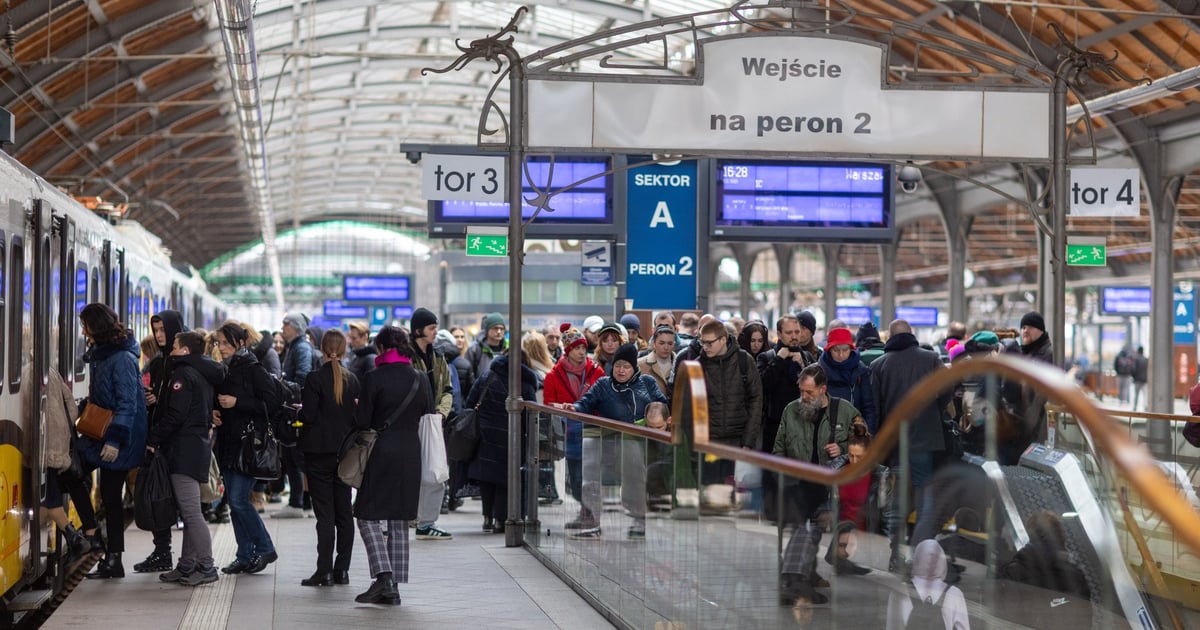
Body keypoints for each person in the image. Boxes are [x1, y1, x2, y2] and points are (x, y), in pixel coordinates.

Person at [353, 326, 433, 605]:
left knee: (365, 515)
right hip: (411, 453)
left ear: (382, 348)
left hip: (381, 453)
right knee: (399, 519)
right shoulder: (420, 378)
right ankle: (393, 588)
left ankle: (384, 576)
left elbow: (363, 421)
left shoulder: (374, 377)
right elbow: (428, 411)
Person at [147, 331, 226, 586]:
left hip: (184, 449)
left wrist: (153, 436)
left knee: (191, 513)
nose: (170, 349)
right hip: (196, 446)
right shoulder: (202, 372)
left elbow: (176, 415)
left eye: (175, 345)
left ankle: (206, 565)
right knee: (190, 510)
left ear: (185, 351)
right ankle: (187, 564)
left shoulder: (183, 374)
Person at [774, 364, 857, 605]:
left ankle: (797, 576)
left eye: (809, 392)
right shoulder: (791, 410)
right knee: (806, 529)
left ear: (823, 390)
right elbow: (779, 448)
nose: (804, 397)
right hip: (798, 481)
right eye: (801, 391)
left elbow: (865, 441)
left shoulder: (844, 410)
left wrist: (842, 448)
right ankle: (795, 578)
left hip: (829, 483)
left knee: (813, 529)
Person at [870, 319, 949, 571]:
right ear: (912, 334)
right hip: (925, 439)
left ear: (889, 338)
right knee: (924, 496)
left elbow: (875, 407)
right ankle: (922, 553)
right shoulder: (931, 359)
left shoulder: (878, 365)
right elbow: (947, 389)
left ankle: (895, 555)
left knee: (897, 500)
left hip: (894, 443)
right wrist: (935, 412)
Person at [78, 303, 148, 579]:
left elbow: (128, 403)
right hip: (104, 433)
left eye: (85, 326)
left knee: (110, 497)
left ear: (97, 327)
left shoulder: (121, 359)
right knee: (71, 474)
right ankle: (95, 539)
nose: (83, 331)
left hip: (120, 437)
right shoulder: (103, 355)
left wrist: (116, 441)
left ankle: (112, 558)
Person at [569, 343, 668, 540]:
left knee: (635, 478)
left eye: (626, 366)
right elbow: (585, 403)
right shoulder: (603, 384)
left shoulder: (647, 382)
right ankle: (594, 521)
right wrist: (574, 408)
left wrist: (654, 417)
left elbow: (662, 405)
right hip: (606, 443)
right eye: (617, 366)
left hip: (638, 444)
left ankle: (639, 520)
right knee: (591, 474)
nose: (621, 370)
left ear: (634, 368)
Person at [212, 322, 279, 576]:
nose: (221, 348)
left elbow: (270, 403)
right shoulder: (226, 369)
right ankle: (244, 554)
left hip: (248, 445)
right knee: (234, 503)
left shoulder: (253, 368)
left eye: (226, 343)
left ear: (240, 342)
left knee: (239, 500)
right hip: (230, 444)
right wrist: (216, 412)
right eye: (218, 343)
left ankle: (264, 547)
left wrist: (237, 402)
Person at [299, 329, 359, 586]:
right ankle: (342, 570)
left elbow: (309, 416)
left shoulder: (314, 379)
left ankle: (323, 570)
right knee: (344, 512)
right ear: (344, 350)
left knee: (325, 515)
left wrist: (300, 412)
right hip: (345, 454)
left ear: (322, 349)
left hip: (318, 454)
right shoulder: (353, 380)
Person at [135, 309, 188, 574]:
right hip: (159, 439)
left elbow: (181, 404)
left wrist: (160, 400)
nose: (158, 335)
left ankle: (188, 558)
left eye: (163, 330)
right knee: (159, 496)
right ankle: (162, 551)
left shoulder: (182, 362)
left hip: (176, 441)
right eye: (155, 330)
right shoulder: (158, 362)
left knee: (182, 501)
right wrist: (150, 398)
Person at [466, 351, 539, 534]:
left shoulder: (487, 375)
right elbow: (532, 414)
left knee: (487, 478)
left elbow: (470, 402)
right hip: (511, 437)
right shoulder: (525, 382)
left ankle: (487, 517)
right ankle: (501, 520)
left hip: (485, 434)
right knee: (505, 479)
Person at [544, 327, 604, 529]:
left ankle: (590, 514)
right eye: (577, 347)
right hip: (568, 433)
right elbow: (547, 402)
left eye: (583, 347)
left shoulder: (596, 371)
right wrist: (562, 408)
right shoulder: (554, 375)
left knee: (590, 476)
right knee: (575, 477)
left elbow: (601, 401)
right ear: (567, 349)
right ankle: (585, 510)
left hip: (592, 431)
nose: (581, 351)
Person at [696, 319, 762, 498]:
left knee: (736, 495)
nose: (705, 347)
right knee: (710, 495)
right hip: (708, 442)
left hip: (737, 441)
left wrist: (748, 441)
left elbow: (756, 399)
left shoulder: (743, 360)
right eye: (702, 342)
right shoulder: (698, 366)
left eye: (710, 342)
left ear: (723, 339)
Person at [409, 307, 455, 540]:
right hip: (410, 422)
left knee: (436, 472)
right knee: (408, 472)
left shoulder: (438, 355)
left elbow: (447, 389)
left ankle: (426, 523)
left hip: (435, 422)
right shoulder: (405, 355)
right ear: (418, 330)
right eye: (431, 327)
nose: (435, 331)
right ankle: (405, 518)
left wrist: (441, 412)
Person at [277, 312, 314, 518]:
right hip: (292, 408)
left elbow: (303, 377)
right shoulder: (297, 347)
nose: (282, 328)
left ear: (295, 327)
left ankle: (297, 501)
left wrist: (280, 384)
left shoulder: (301, 348)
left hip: (295, 409)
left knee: (294, 455)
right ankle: (296, 501)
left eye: (286, 324)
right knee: (291, 455)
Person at [886, 539, 970, 629]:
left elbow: (892, 627)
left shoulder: (899, 592)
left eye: (934, 557)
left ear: (916, 560)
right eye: (929, 556)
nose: (931, 561)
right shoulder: (954, 594)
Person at [819, 327, 878, 433]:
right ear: (829, 350)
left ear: (851, 349)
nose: (841, 354)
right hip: (826, 431)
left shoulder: (861, 370)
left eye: (845, 350)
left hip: (854, 430)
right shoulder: (819, 371)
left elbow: (868, 407)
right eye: (836, 350)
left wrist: (868, 436)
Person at [465, 312, 508, 395]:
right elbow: (468, 376)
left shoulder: (508, 349)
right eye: (495, 328)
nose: (499, 331)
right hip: (481, 396)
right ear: (488, 329)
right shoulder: (475, 350)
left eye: (502, 329)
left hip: (503, 396)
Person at [638, 325, 676, 401]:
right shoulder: (640, 365)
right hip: (649, 410)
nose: (666, 347)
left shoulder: (680, 365)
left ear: (674, 344)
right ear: (654, 343)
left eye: (670, 344)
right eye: (662, 343)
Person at [1132, 346, 1149, 411]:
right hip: (1144, 380)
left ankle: (1135, 407)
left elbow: (1133, 369)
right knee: (1145, 395)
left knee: (1136, 395)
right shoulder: (1146, 359)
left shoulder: (1136, 359)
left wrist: (1134, 377)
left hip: (1137, 380)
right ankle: (1145, 407)